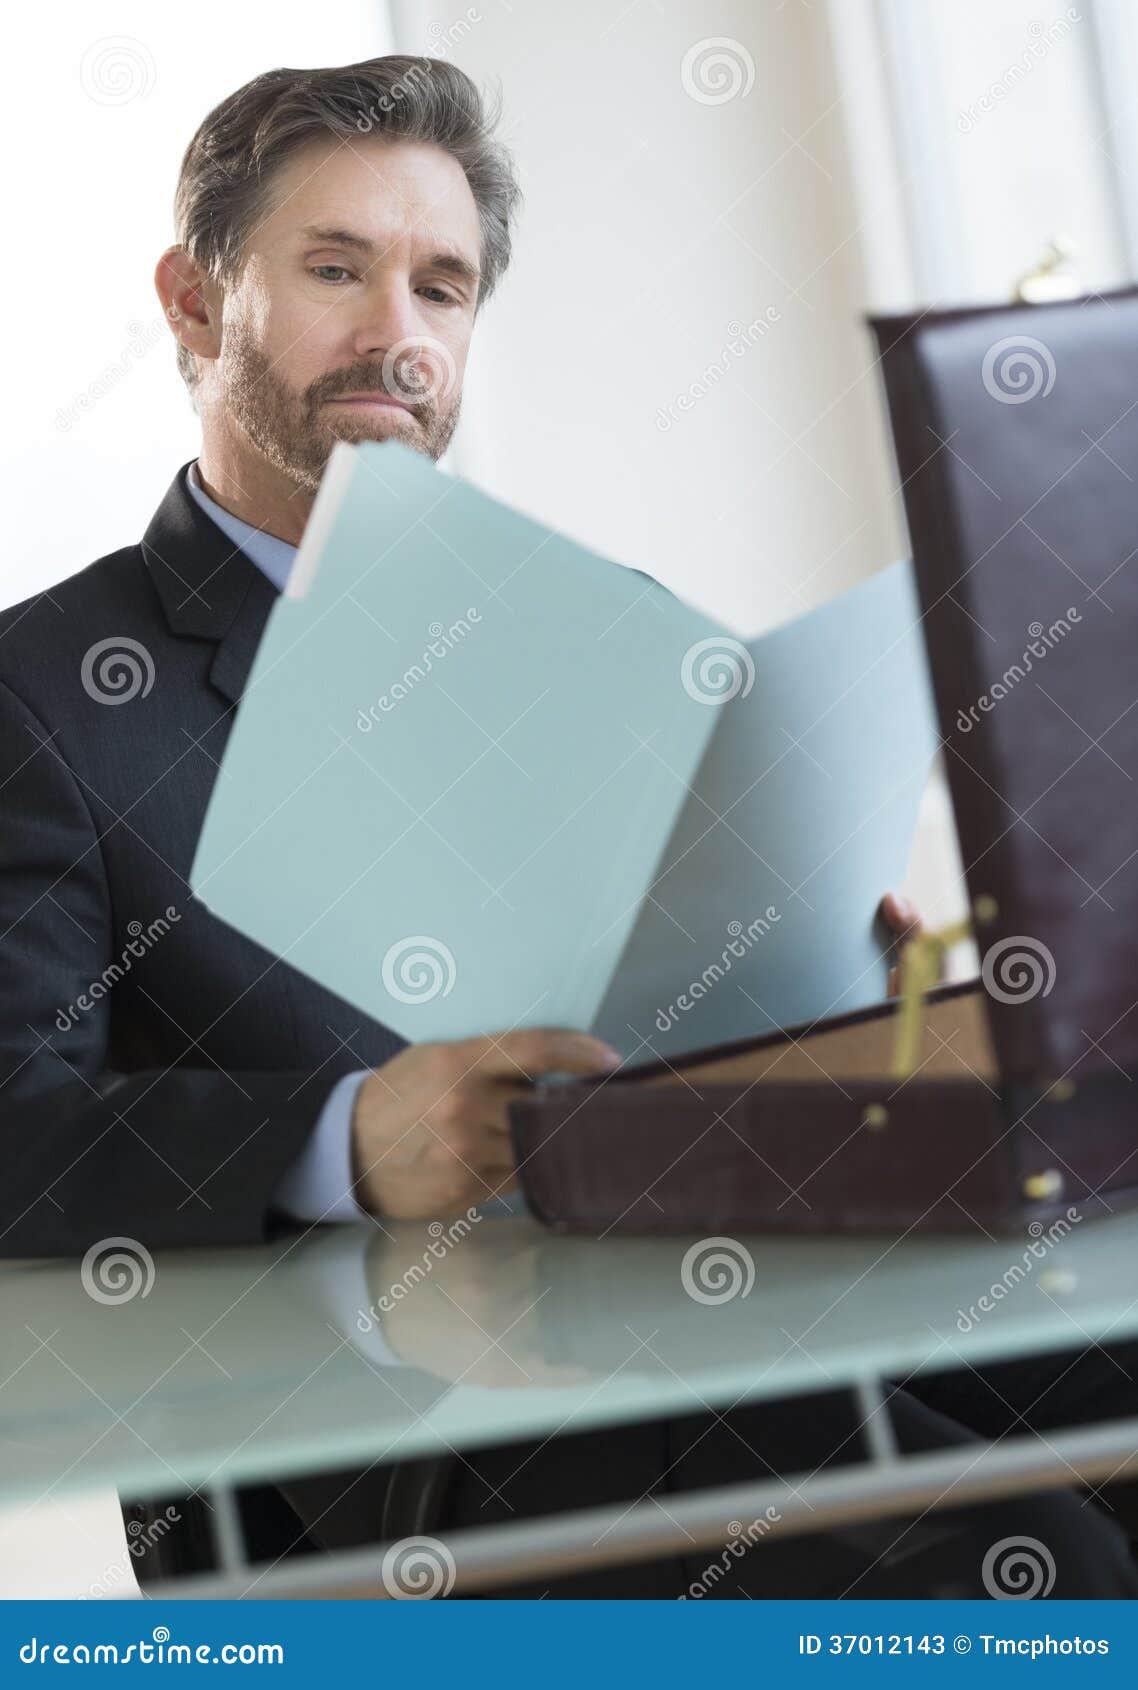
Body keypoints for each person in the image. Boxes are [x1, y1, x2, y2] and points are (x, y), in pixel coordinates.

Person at [4, 54, 1133, 1600]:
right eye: (335, 269)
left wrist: (837, 987)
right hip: (379, 1447)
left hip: (717, 1292)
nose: (397, 331)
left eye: (441, 286)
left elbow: (683, 1019)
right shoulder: (45, 695)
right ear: (195, 303)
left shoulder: (613, 633)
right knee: (1035, 1568)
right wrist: (347, 1139)